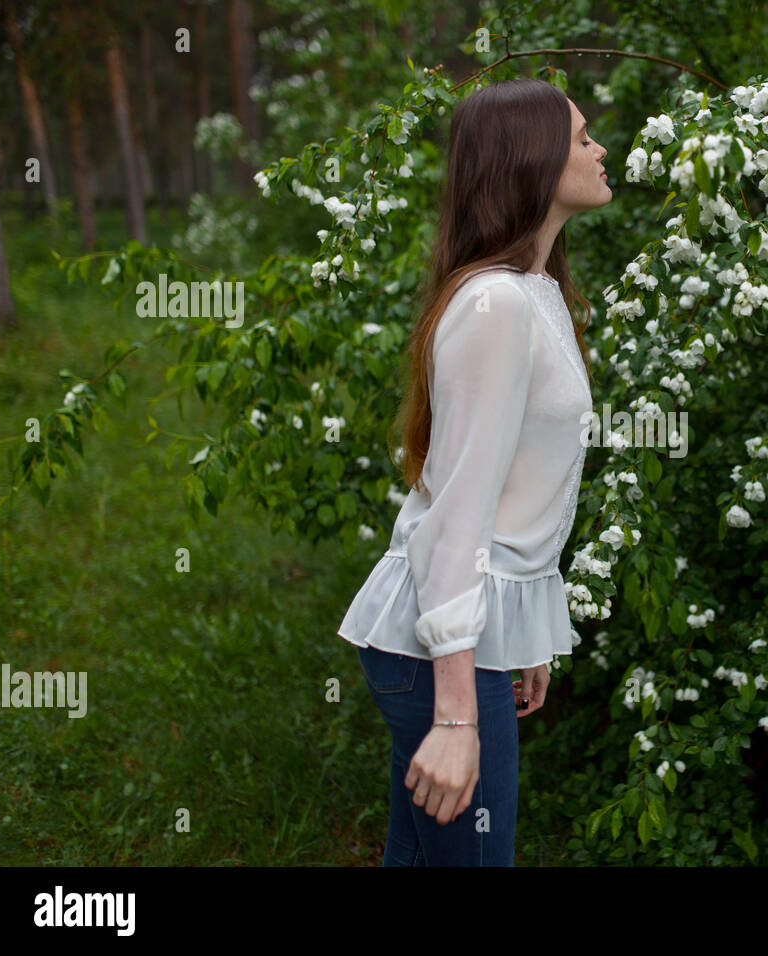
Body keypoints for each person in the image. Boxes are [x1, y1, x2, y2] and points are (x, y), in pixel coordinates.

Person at [335, 77, 611, 866]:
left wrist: (531, 632)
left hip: (461, 645)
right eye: (583, 138)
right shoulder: (498, 307)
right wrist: (457, 717)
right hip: (441, 659)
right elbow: (458, 513)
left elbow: (516, 499)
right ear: (532, 161)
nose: (599, 151)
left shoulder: (535, 291)